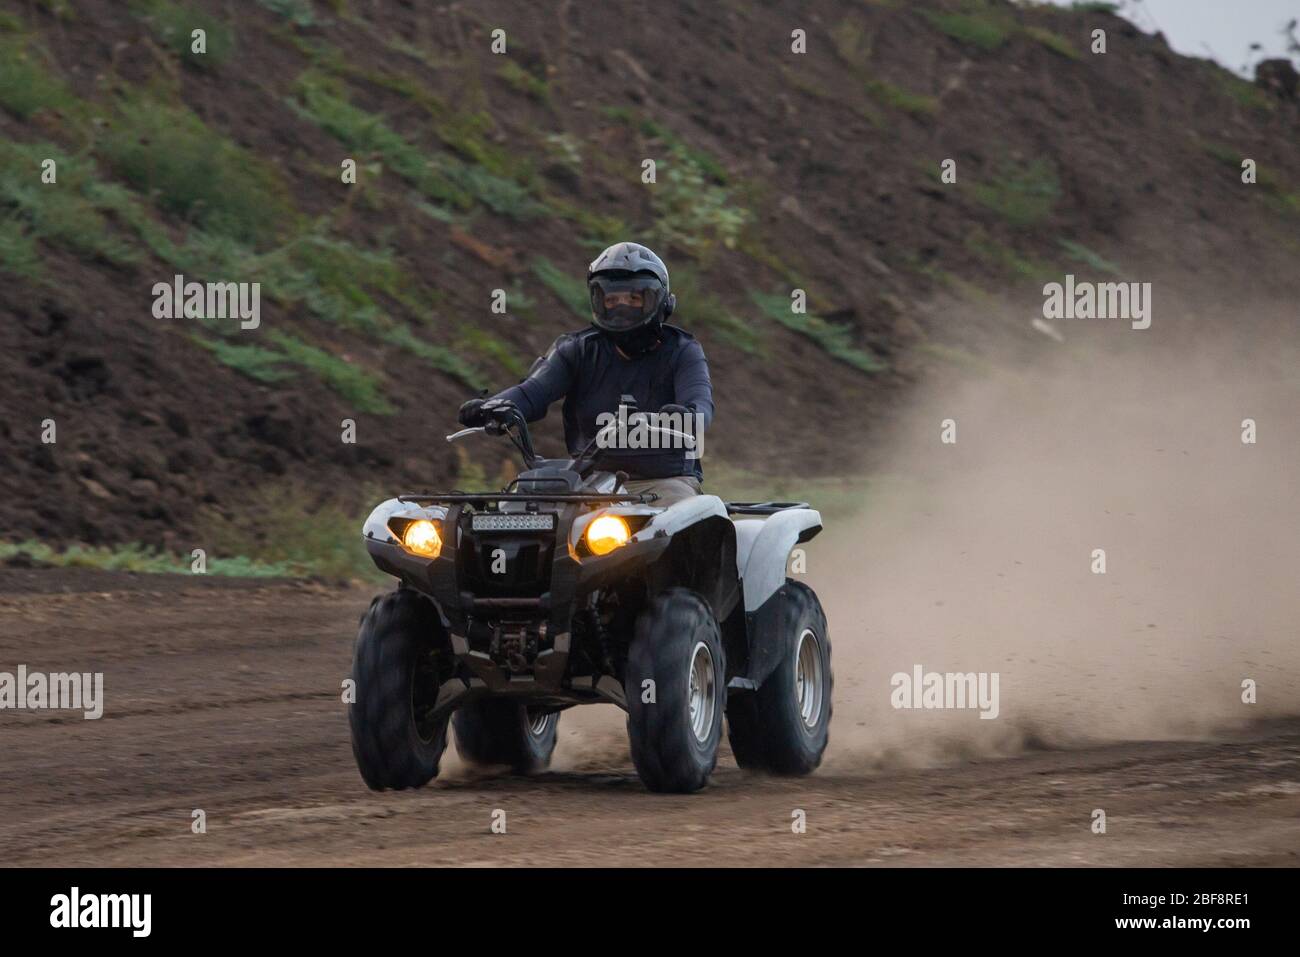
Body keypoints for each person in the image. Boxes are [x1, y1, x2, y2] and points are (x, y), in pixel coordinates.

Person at [458, 242, 712, 506]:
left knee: (685, 518)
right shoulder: (576, 350)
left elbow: (700, 407)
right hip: (586, 483)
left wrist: (686, 419)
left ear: (659, 301)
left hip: (663, 483)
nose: (620, 307)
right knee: (517, 514)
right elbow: (532, 392)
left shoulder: (683, 351)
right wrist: (494, 407)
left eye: (633, 299)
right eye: (611, 299)